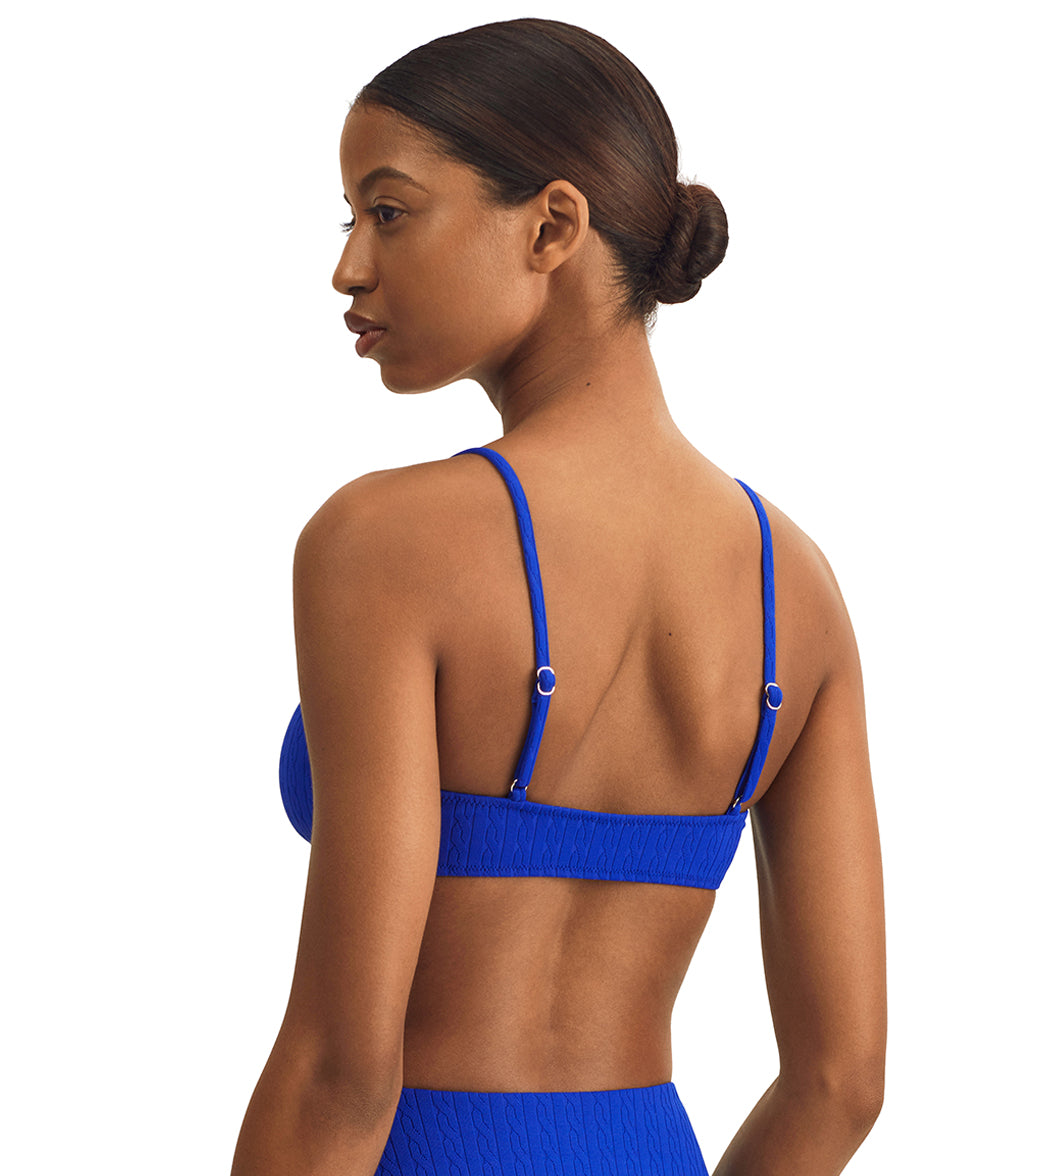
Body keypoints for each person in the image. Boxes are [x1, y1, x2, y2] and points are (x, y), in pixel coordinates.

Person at [230, 18, 886, 1176]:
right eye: (349, 221)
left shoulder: (384, 542)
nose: (349, 268)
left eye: (389, 211)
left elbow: (343, 1070)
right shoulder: (799, 587)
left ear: (551, 227)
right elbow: (841, 1084)